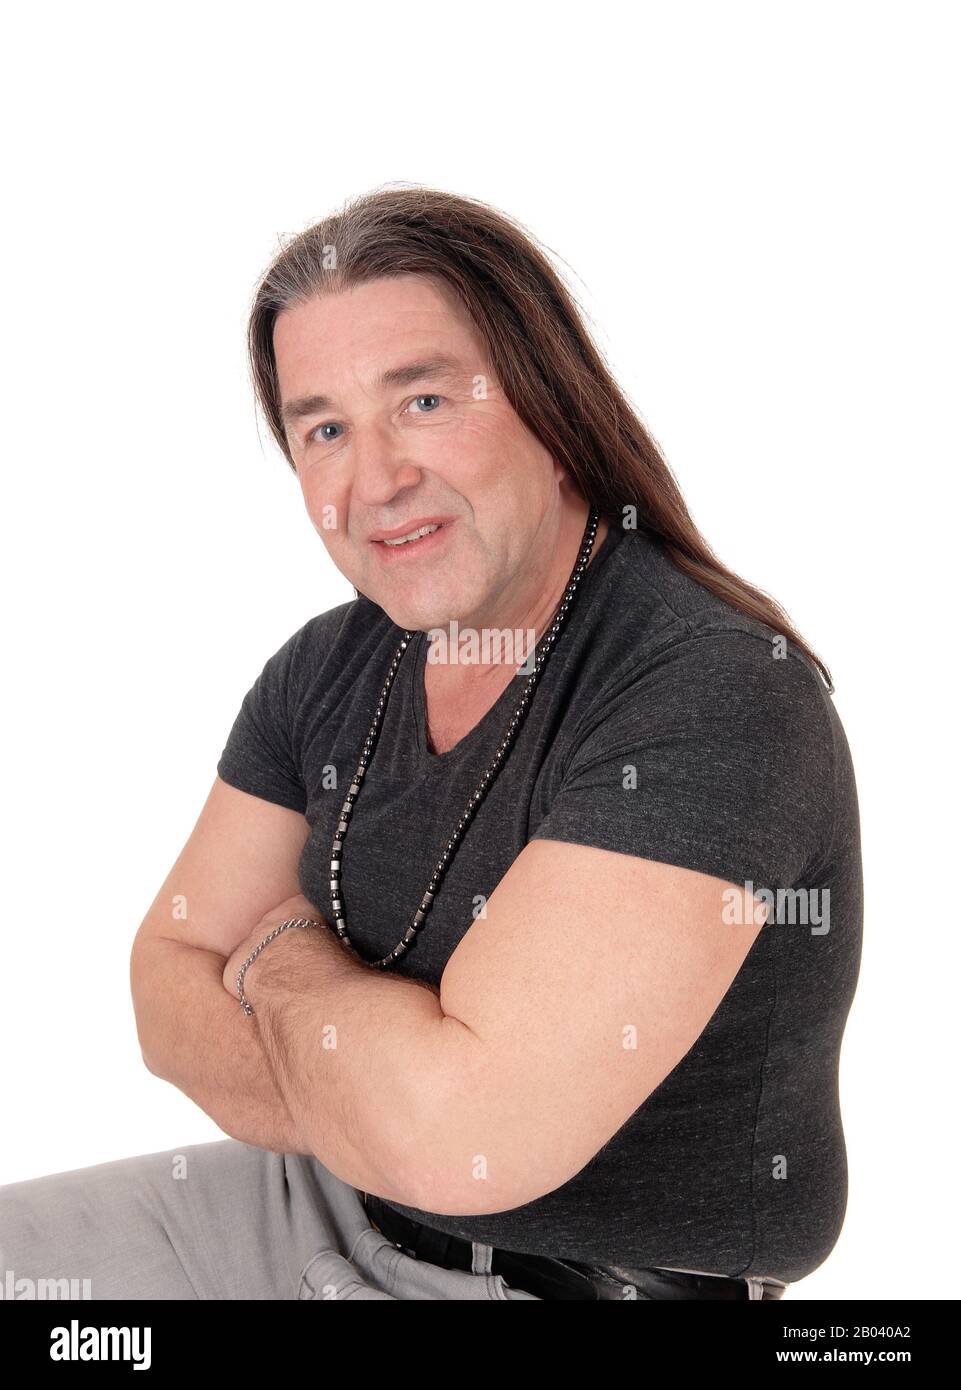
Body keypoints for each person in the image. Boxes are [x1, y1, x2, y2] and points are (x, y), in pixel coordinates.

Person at [0, 186, 862, 1301]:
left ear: (550, 404)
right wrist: (386, 1087)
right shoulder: (327, 665)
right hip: (321, 1199)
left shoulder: (710, 693)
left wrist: (277, 956)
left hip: (584, 1280)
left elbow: (466, 1146)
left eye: (420, 401)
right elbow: (164, 991)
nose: (375, 479)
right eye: (324, 428)